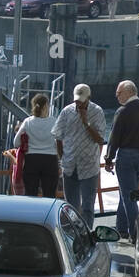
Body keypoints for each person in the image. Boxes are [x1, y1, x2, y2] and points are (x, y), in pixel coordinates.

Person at [103, 80, 139, 242]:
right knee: (127, 190)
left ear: (129, 92)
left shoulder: (123, 111)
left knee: (129, 196)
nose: (117, 96)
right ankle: (121, 228)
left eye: (119, 93)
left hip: (127, 155)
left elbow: (115, 137)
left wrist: (108, 158)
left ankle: (135, 234)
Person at [52, 83, 109, 224]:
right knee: (70, 207)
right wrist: (62, 157)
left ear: (88, 97)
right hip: (69, 165)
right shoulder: (67, 111)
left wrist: (86, 123)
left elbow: (100, 139)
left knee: (88, 207)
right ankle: (72, 236)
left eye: (81, 100)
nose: (78, 102)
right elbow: (57, 135)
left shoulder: (97, 111)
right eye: (76, 99)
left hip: (89, 166)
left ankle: (87, 236)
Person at [14, 94, 59, 197]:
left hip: (31, 160)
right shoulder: (54, 122)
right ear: (46, 106)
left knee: (30, 194)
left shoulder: (28, 122)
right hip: (50, 161)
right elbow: (60, 141)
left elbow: (16, 142)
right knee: (50, 195)